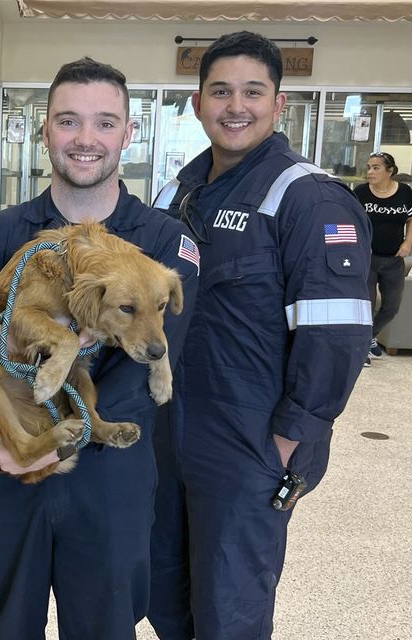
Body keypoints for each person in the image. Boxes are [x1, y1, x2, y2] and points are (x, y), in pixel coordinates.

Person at [0, 58, 199, 640]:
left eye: (104, 123)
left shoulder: (165, 243)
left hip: (110, 474)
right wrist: (15, 354)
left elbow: (161, 363)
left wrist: (74, 423)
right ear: (44, 130)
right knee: (7, 626)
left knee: (104, 627)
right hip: (8, 467)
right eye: (68, 121)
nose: (85, 139)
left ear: (128, 132)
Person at [148, 31, 372, 640]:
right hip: (170, 433)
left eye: (253, 91)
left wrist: (291, 440)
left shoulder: (308, 198)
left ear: (279, 105)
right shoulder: (178, 192)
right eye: (220, 91)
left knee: (230, 607)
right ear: (197, 104)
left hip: (250, 440)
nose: (235, 106)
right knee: (165, 591)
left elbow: (336, 339)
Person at [354, 151, 412, 363]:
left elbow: (410, 219)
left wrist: (408, 243)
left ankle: (369, 337)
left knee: (391, 307)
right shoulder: (360, 193)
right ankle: (361, 350)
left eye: (376, 167)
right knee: (366, 306)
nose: (370, 172)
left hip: (394, 259)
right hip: (367, 259)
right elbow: (351, 221)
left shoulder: (405, 192)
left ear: (390, 171)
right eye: (369, 167)